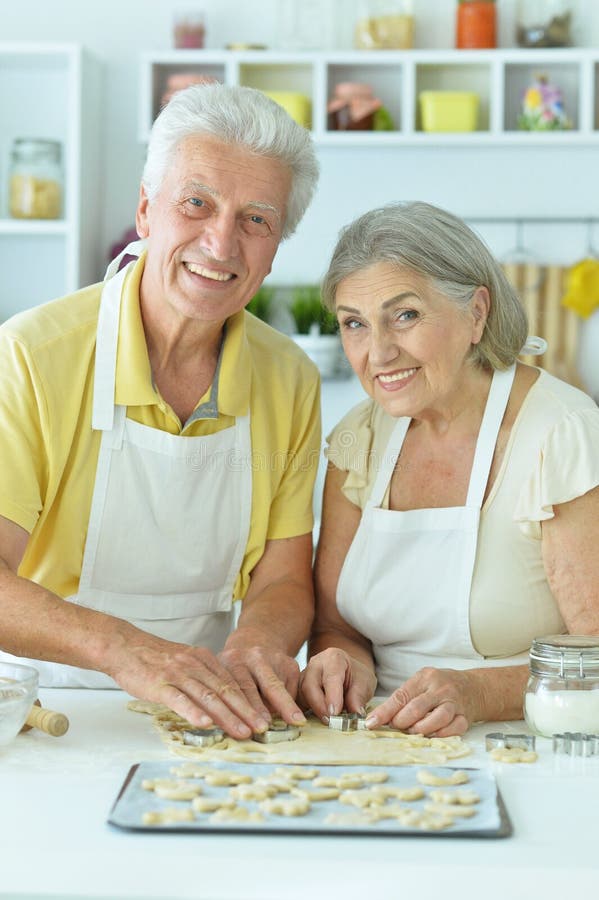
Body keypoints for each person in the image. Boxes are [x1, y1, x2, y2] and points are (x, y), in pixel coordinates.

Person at [0, 83, 321, 739]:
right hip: (40, 708)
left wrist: (256, 644)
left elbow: (283, 579)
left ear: (276, 245)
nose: (221, 243)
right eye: (196, 204)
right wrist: (125, 650)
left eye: (256, 219)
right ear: (146, 210)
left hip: (205, 712)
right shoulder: (32, 356)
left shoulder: (288, 378)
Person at [300, 201, 599, 737]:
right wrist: (343, 665)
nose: (379, 353)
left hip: (531, 745)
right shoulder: (358, 437)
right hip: (382, 741)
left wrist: (478, 692)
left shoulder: (561, 432)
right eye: (355, 324)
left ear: (476, 313)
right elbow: (335, 625)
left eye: (406, 315)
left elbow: (596, 660)